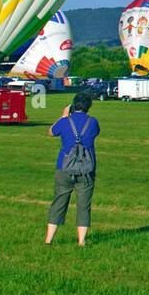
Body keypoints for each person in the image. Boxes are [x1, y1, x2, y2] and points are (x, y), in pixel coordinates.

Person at [45, 92, 100, 247]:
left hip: (64, 168)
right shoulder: (93, 122)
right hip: (86, 170)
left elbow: (51, 132)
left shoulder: (65, 121)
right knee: (84, 206)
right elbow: (95, 133)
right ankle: (81, 241)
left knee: (59, 202)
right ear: (89, 106)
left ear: (73, 105)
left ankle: (49, 239)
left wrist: (63, 116)